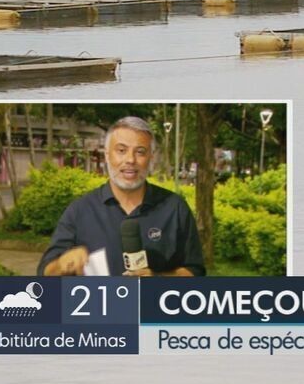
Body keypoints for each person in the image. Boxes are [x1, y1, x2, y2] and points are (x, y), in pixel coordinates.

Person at [38, 116, 205, 277]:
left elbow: (194, 272)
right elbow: (45, 272)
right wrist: (61, 264)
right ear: (107, 155)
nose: (130, 160)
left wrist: (158, 279)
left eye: (140, 152)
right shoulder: (79, 211)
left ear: (150, 158)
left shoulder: (175, 208)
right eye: (121, 150)